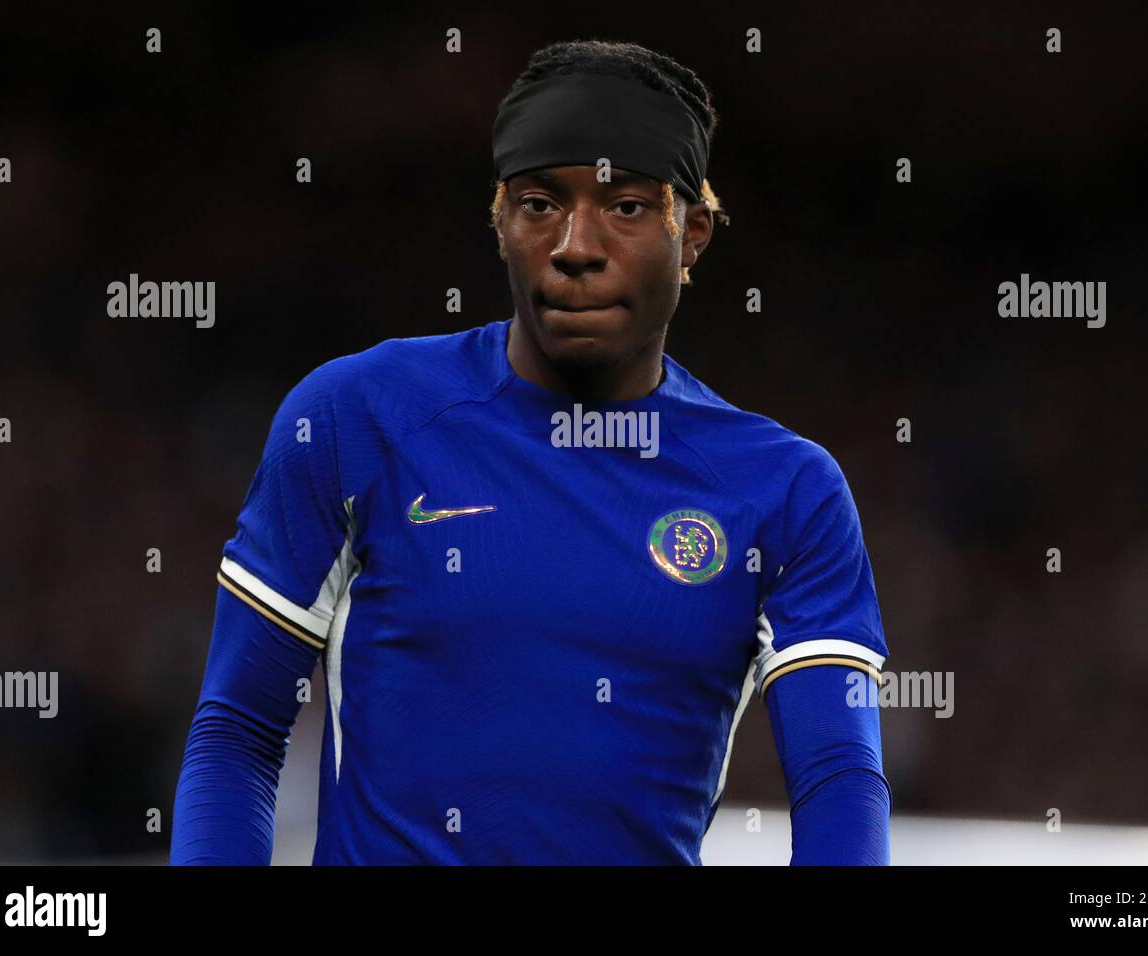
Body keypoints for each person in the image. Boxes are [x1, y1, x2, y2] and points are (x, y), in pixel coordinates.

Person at [171, 38, 891, 865]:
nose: (575, 244)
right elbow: (239, 731)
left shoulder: (785, 491)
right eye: (541, 203)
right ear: (501, 222)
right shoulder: (356, 417)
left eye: (624, 206)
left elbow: (839, 777)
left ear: (692, 233)